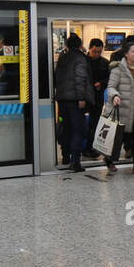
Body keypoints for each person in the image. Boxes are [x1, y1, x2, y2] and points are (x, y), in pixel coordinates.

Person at [103, 39, 134, 176]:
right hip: (122, 109)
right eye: (133, 51)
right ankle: (108, 160)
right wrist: (115, 95)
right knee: (117, 139)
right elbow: (111, 86)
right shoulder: (118, 69)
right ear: (126, 54)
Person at [53, 34, 91, 172]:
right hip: (75, 100)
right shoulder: (79, 58)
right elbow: (80, 78)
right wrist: (81, 98)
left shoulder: (62, 57)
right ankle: (75, 161)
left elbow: (56, 76)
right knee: (77, 129)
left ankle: (65, 156)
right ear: (80, 45)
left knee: (65, 127)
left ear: (67, 45)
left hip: (62, 99)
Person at [85, 37, 110, 157]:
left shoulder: (105, 63)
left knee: (95, 124)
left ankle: (92, 147)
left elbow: (109, 79)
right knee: (83, 124)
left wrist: (102, 83)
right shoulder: (83, 61)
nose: (96, 54)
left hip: (98, 98)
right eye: (94, 51)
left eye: (99, 52)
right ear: (89, 49)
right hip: (84, 97)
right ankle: (83, 148)